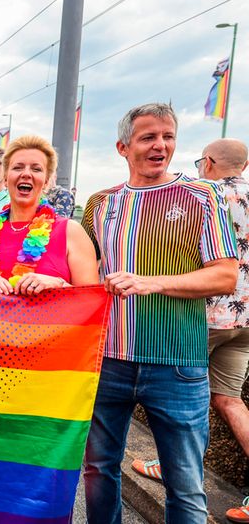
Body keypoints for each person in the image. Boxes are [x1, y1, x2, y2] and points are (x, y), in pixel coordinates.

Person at [81, 103, 238, 523]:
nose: (161, 145)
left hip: (178, 366)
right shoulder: (99, 203)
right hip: (107, 362)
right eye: (149, 137)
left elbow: (225, 277)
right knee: (97, 471)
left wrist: (154, 282)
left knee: (185, 484)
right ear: (122, 147)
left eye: (168, 136)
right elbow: (84, 275)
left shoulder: (202, 194)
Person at [128, 138, 249, 522]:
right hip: (246, 321)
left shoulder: (205, 193)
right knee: (229, 400)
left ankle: (174, 466)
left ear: (209, 163)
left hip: (204, 316)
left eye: (200, 162)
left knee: (180, 400)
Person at [0, 135, 97, 294]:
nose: (26, 174)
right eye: (18, 167)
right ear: (5, 179)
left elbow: (92, 300)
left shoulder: (70, 232)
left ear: (46, 181)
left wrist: (59, 285)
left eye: (36, 169)